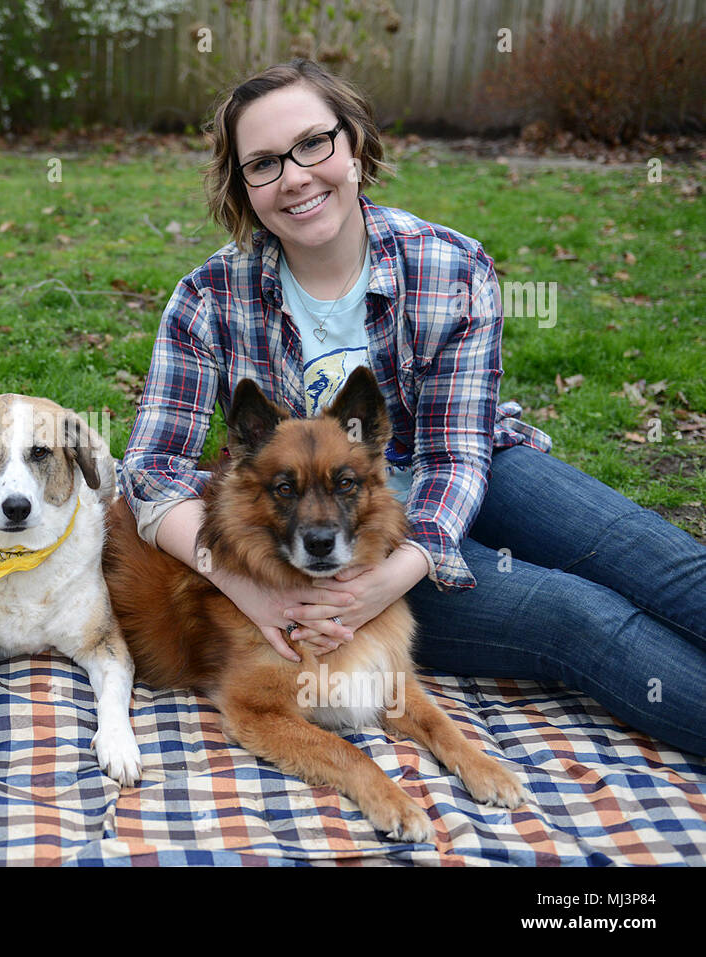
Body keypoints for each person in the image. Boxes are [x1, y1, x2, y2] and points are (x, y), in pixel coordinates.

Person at [119, 59, 706, 756]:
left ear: (356, 145)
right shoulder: (207, 298)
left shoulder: (450, 265)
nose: (296, 176)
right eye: (265, 163)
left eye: (313, 144)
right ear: (243, 188)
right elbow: (153, 469)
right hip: (340, 540)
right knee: (579, 616)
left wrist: (392, 578)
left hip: (472, 476)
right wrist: (254, 591)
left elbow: (459, 453)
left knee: (659, 562)